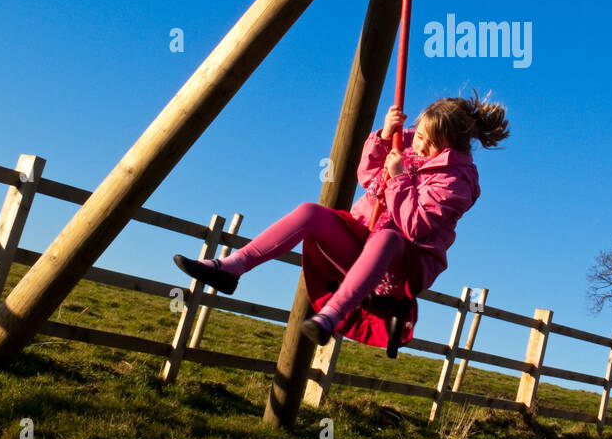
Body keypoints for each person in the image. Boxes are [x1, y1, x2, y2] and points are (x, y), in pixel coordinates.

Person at [173, 91, 508, 358]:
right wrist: (383, 136)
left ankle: (329, 318)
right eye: (418, 134)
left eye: (428, 143)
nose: (417, 144)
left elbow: (415, 226)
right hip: (364, 233)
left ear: (450, 146)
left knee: (388, 239)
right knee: (310, 212)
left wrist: (399, 179)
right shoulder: (406, 142)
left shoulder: (458, 180)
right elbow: (366, 176)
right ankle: (230, 268)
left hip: (407, 261)